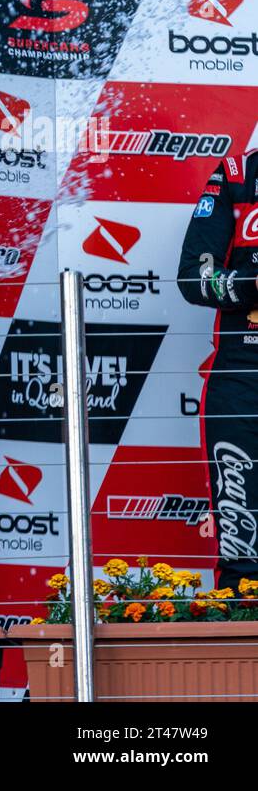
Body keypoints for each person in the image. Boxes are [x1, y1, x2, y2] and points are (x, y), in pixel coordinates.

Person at [178, 149, 258, 592]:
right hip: (242, 376)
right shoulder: (238, 173)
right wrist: (251, 284)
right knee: (242, 548)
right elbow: (192, 277)